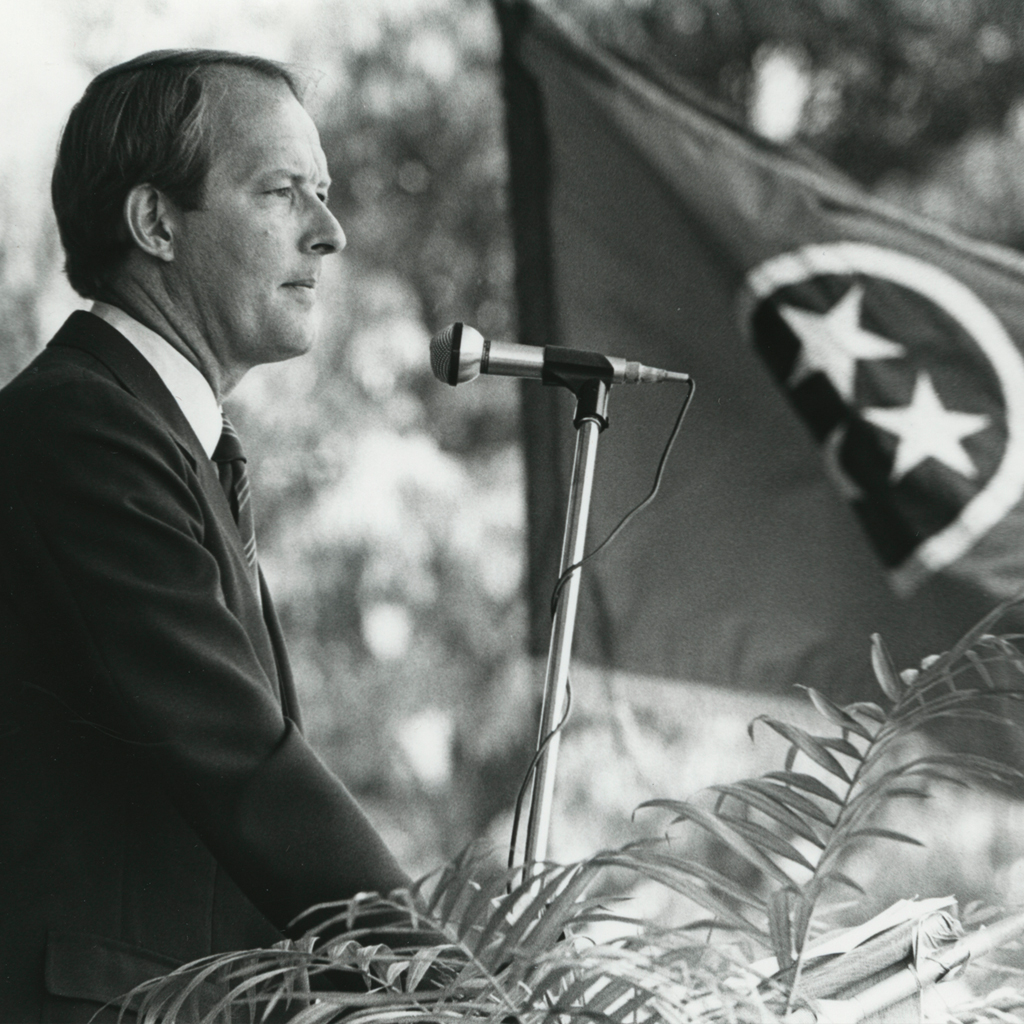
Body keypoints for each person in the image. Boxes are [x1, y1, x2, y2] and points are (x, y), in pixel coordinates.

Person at [0, 50, 417, 1022]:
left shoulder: (173, 436)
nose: (330, 233)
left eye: (323, 193)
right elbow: (237, 762)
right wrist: (443, 984)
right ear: (155, 223)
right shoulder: (82, 428)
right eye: (283, 192)